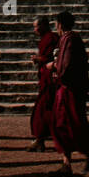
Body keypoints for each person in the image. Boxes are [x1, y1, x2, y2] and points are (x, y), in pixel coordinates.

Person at [48, 11, 89, 176]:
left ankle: (82, 156)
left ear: (60, 24)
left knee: (66, 124)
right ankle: (69, 162)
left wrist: (54, 67)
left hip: (69, 89)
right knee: (70, 122)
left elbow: (67, 64)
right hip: (70, 88)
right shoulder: (70, 39)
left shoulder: (69, 39)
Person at [28, 17, 58, 152]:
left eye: (37, 26)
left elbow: (53, 58)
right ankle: (40, 140)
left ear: (44, 25)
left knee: (43, 111)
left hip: (50, 80)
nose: (35, 30)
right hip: (46, 79)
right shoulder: (47, 38)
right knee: (44, 110)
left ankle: (40, 140)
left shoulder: (51, 38)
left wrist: (37, 58)